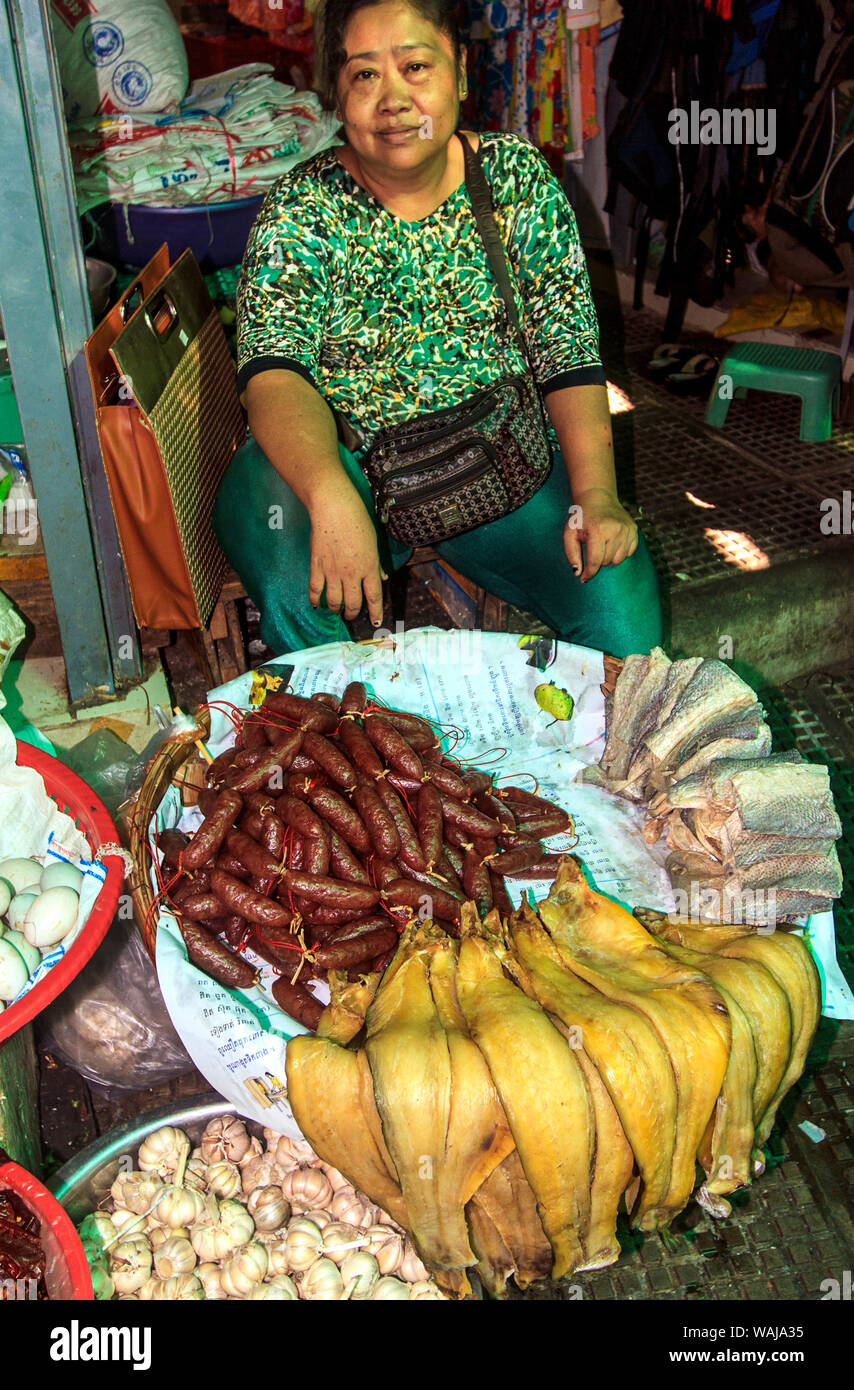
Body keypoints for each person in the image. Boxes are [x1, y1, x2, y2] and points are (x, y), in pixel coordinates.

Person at [213, 0, 662, 658]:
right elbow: (272, 373)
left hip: (494, 463)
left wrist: (596, 496)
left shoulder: (516, 181)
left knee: (621, 605)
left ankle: (609, 753)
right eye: (364, 75)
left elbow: (568, 357)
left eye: (415, 66)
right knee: (271, 506)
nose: (392, 97)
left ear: (460, 73)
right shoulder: (302, 209)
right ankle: (325, 724)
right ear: (338, 95)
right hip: (354, 463)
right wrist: (331, 494)